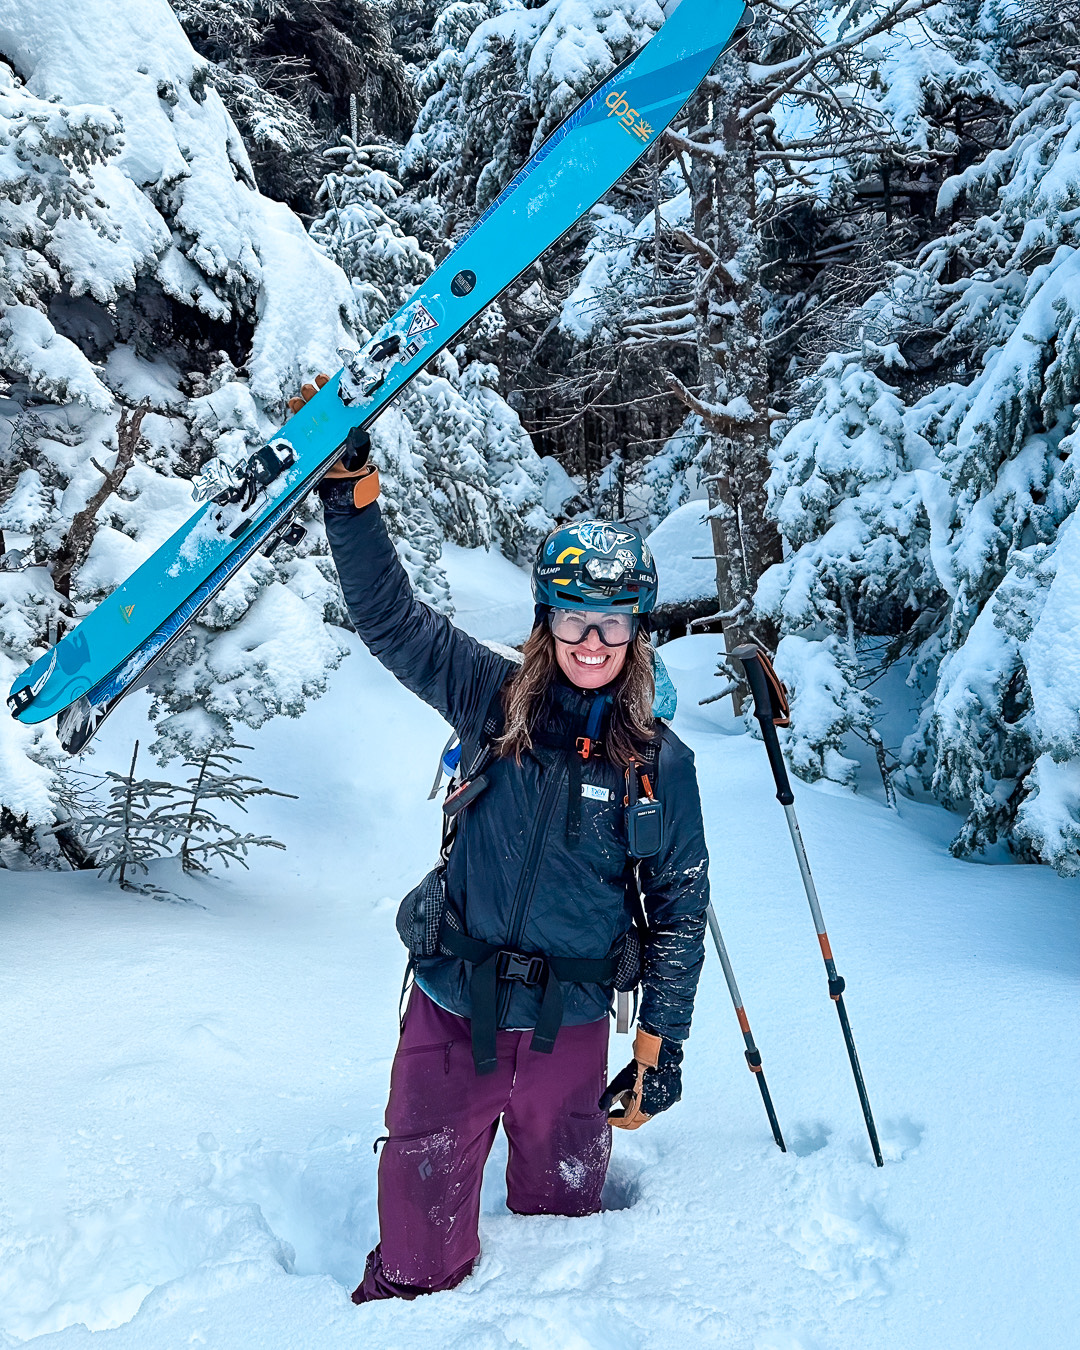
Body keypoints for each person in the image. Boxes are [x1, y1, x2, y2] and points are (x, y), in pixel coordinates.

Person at [303, 403, 711, 1304]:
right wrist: (351, 497)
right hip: (460, 1002)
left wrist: (659, 1045)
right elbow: (392, 622)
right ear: (546, 622)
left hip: (571, 1021)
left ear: (638, 629)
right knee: (414, 1264)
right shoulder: (492, 698)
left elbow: (681, 905)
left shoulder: (659, 762)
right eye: (573, 623)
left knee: (562, 1240)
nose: (592, 645)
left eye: (611, 625)